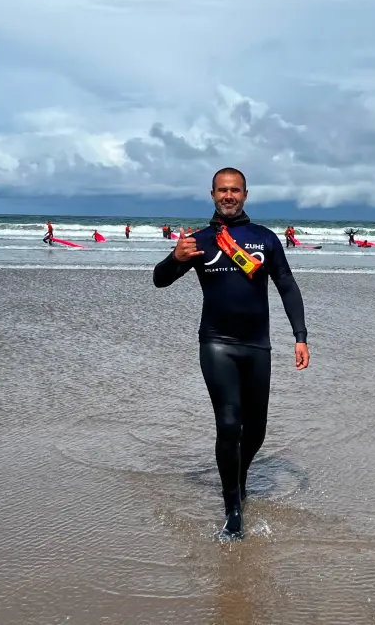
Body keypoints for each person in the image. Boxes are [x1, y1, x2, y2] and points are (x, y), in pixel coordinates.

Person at [153, 167, 310, 540]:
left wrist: (300, 336)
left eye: (235, 190)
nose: (228, 196)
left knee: (256, 429)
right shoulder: (199, 241)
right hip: (216, 343)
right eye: (222, 190)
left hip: (257, 346)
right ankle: (233, 510)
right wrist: (175, 257)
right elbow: (160, 279)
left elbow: (287, 285)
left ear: (245, 194)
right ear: (212, 194)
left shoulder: (264, 238)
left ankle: (238, 476)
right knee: (228, 424)